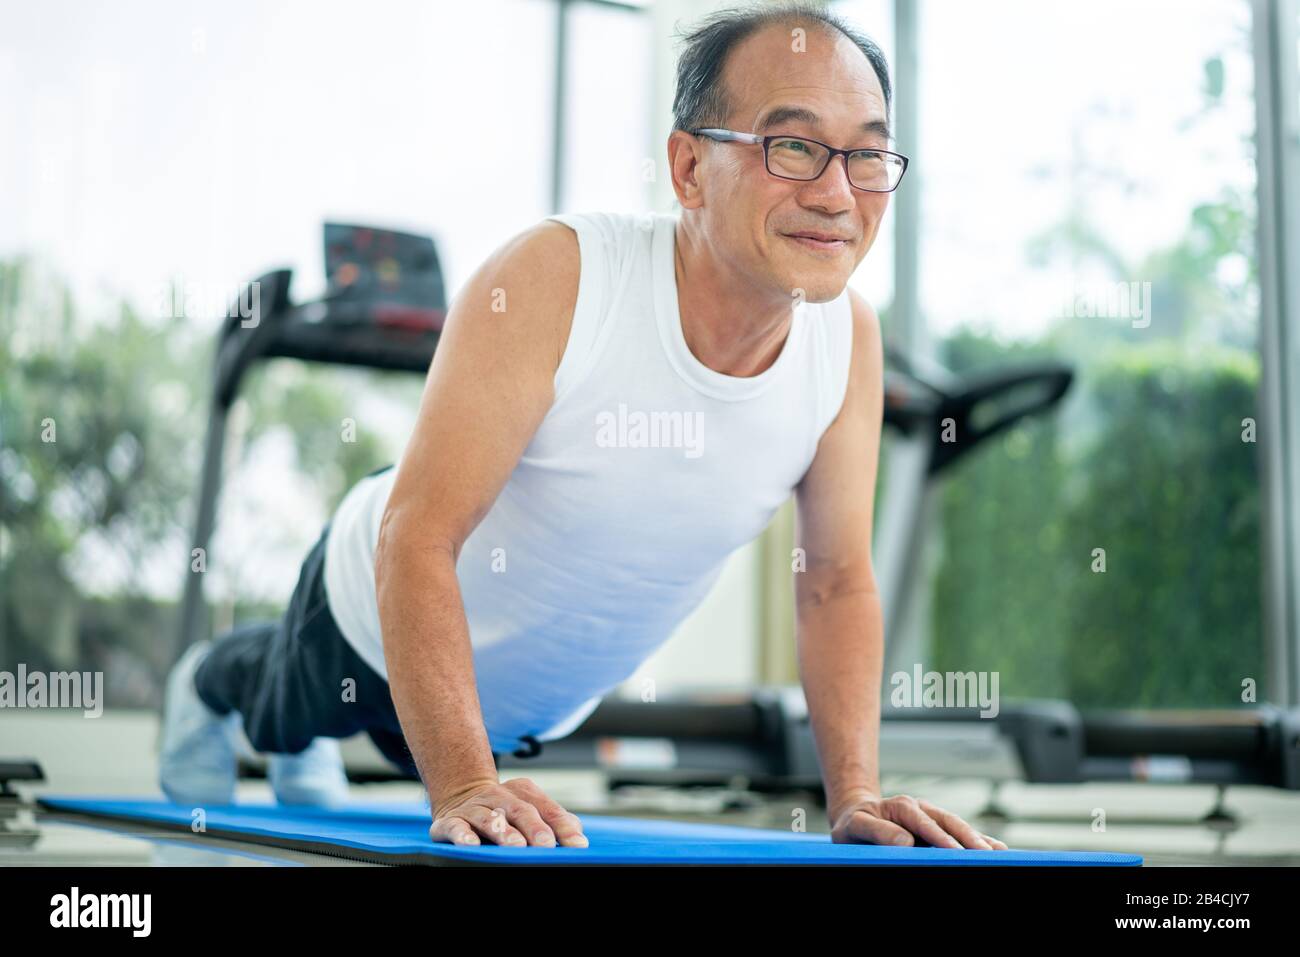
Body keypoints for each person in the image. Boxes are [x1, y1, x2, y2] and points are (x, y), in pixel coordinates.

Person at [160, 1, 1007, 852]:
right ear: (687, 168)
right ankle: (206, 680)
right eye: (792, 146)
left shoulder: (848, 338)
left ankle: (320, 757)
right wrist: (463, 786)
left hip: (517, 711)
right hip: (369, 627)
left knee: (360, 753)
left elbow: (833, 579)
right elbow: (416, 536)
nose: (835, 193)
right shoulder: (556, 278)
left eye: (865, 154)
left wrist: (854, 793)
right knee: (277, 710)